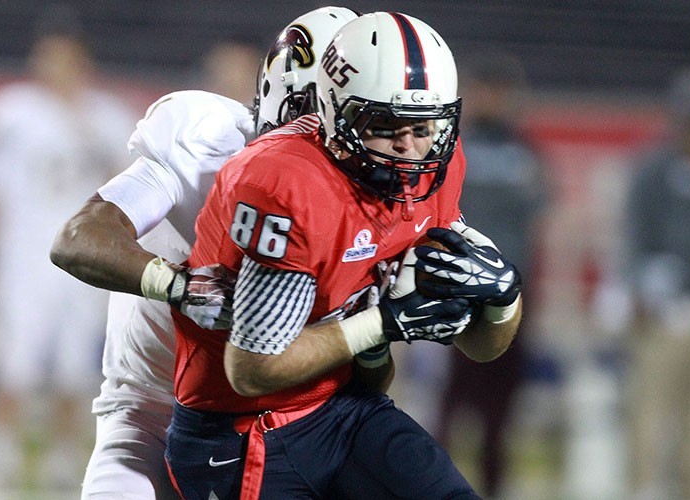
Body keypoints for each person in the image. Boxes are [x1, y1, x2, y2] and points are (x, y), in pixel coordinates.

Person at [166, 12, 523, 499]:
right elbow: (252, 368)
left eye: (423, 126)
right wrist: (381, 324)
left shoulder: (435, 165)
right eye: (384, 123)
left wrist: (503, 298)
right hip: (243, 427)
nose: (408, 146)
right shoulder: (288, 181)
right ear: (333, 112)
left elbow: (484, 347)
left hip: (343, 409)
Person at [49, 7, 362, 499]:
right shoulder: (209, 141)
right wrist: (177, 284)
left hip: (274, 425)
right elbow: (79, 238)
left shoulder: (377, 190)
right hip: (151, 416)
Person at [0, 4, 136, 489]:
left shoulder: (108, 115)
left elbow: (126, 196)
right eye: (47, 56)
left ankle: (65, 460)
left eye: (64, 56)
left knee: (74, 364)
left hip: (84, 260)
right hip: (22, 258)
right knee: (15, 361)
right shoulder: (11, 110)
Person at [403, 49, 549, 497]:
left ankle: (491, 489)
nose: (494, 100)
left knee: (499, 412)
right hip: (445, 289)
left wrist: (529, 296)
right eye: (487, 91)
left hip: (505, 294)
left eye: (501, 92)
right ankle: (426, 487)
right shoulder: (448, 144)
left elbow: (536, 228)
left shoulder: (527, 152)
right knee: (442, 404)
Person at [622, 66, 690, 500]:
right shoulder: (653, 170)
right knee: (650, 406)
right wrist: (643, 288)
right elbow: (634, 237)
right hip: (664, 307)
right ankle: (643, 488)